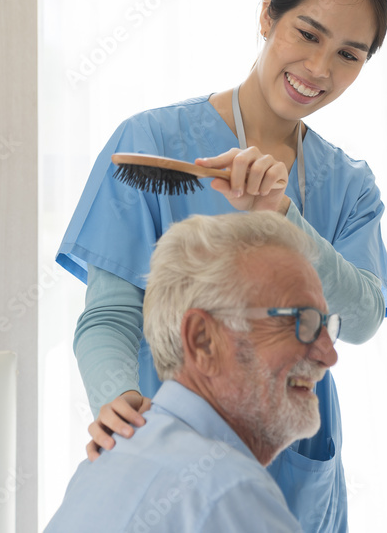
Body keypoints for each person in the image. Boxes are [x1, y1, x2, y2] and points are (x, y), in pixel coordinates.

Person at [55, 0, 387, 532]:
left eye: (349, 53)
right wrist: (115, 400)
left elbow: (363, 319)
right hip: (168, 444)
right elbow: (111, 312)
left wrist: (282, 217)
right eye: (308, 33)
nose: (320, 69)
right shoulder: (156, 141)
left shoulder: (348, 184)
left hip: (294, 457)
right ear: (268, 16)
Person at [46, 212, 339, 532]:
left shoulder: (97, 469)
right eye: (300, 322)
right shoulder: (231, 492)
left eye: (327, 326)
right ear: (203, 340)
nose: (329, 355)